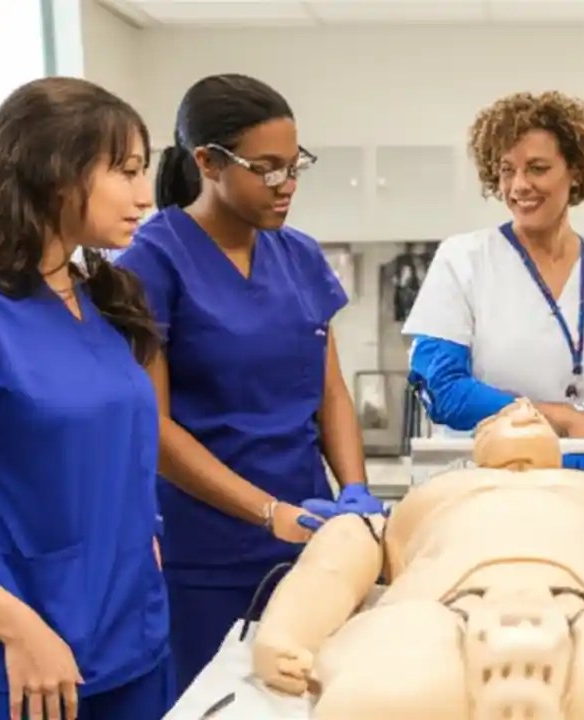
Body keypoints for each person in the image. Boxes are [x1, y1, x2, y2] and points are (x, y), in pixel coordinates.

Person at [0, 77, 172, 719]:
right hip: (16, 661)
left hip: (132, 639)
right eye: (126, 171)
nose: (144, 195)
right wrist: (18, 628)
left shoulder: (100, 296)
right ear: (54, 172)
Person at [251, 398, 584, 719]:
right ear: (477, 447)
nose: (525, 408)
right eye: (506, 415)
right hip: (436, 612)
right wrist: (289, 633)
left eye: (535, 417)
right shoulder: (433, 496)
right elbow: (333, 563)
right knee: (376, 692)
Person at [113, 73, 381, 695]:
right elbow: (151, 426)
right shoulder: (152, 263)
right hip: (207, 550)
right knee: (219, 699)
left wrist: (356, 494)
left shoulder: (300, 256)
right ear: (206, 161)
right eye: (267, 169)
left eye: (295, 166)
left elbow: (330, 393)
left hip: (311, 541)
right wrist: (264, 512)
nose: (287, 185)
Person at [401, 91, 584, 479]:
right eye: (507, 170)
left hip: (582, 489)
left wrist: (575, 465)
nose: (519, 185)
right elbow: (445, 392)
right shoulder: (463, 260)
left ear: (576, 171)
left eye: (537, 168)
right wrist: (561, 419)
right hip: (478, 480)